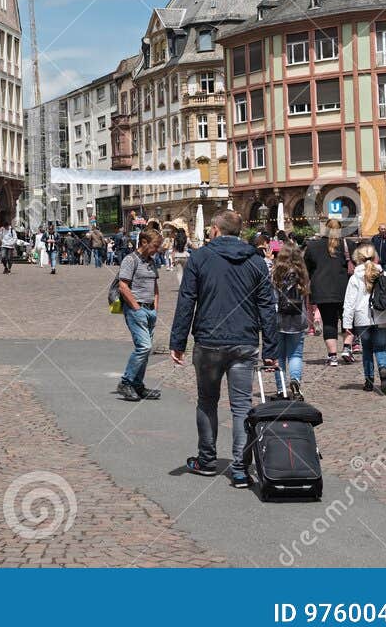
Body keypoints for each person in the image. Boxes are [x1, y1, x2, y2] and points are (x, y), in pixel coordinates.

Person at [168, 209, 278, 488]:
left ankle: (206, 461)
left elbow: (186, 300)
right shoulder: (256, 261)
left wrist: (178, 343)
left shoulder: (200, 258)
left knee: (207, 401)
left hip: (209, 341)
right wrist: (271, 349)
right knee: (242, 406)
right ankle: (241, 469)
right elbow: (267, 305)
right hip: (244, 341)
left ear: (215, 229)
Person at [114, 228, 168, 402]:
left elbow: (155, 285)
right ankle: (126, 382)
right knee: (143, 347)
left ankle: (138, 384)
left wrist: (156, 306)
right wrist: (136, 308)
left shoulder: (151, 262)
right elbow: (123, 286)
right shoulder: (130, 260)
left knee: (146, 350)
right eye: (155, 245)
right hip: (136, 310)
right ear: (144, 243)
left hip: (150, 310)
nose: (157, 249)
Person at [342, 243, 386, 393]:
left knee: (367, 350)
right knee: (381, 348)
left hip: (361, 319)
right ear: (375, 258)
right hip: (381, 316)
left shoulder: (354, 278)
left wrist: (347, 325)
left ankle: (369, 380)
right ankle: (383, 368)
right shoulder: (383, 273)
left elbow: (349, 303)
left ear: (357, 259)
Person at [305, 218, 354, 367]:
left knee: (328, 322)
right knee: (349, 319)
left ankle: (332, 357)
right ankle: (347, 348)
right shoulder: (349, 245)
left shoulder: (313, 246)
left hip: (323, 290)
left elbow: (307, 267)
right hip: (345, 290)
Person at [270, 241, 310, 400]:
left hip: (279, 318)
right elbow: (306, 296)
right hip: (298, 318)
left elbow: (272, 298)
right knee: (296, 355)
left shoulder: (276, 273)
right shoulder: (302, 273)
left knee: (279, 356)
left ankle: (281, 390)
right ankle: (295, 381)